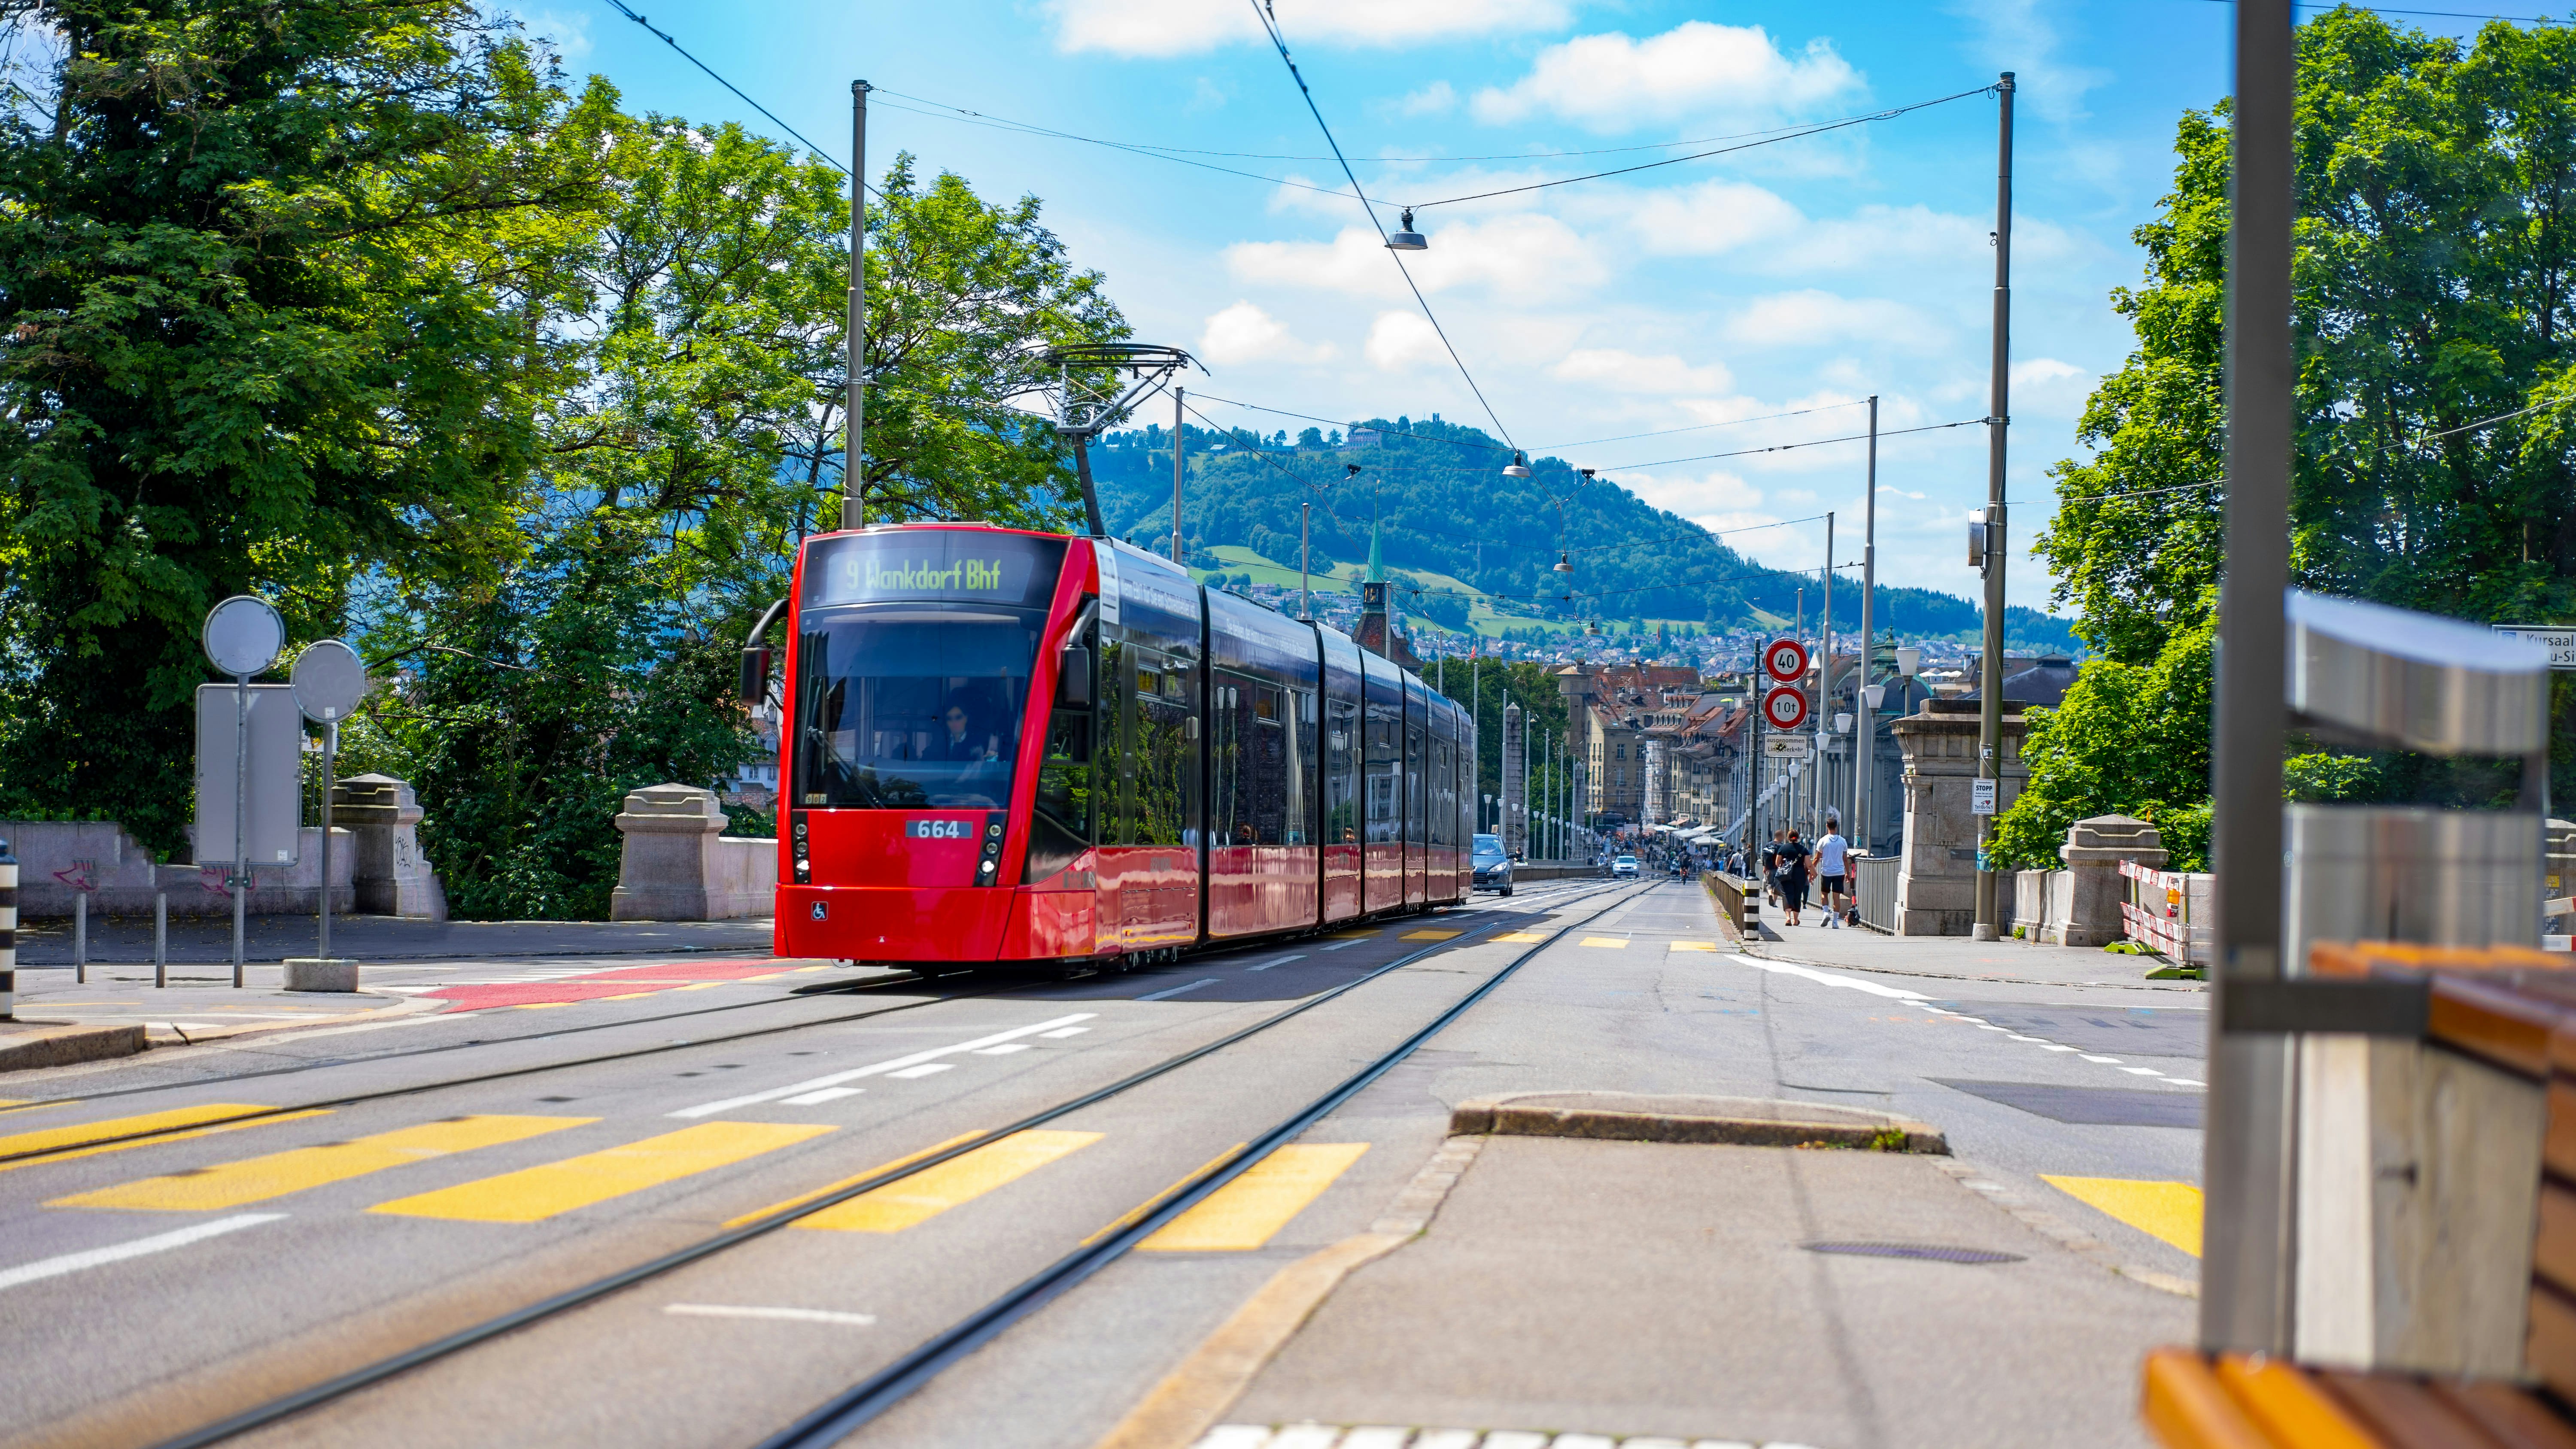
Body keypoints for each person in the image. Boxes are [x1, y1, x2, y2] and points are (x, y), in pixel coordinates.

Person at [1814, 814, 1849, 928]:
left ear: (1827, 826)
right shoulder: (1843, 841)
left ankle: (1825, 913)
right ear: (1836, 827)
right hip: (1840, 872)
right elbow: (1845, 859)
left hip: (1827, 872)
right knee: (1837, 897)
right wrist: (1848, 873)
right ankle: (1835, 922)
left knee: (1824, 894)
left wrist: (1811, 871)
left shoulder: (1823, 841)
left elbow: (1817, 858)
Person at [1777, 827, 1811, 926]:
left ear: (1788, 838)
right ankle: (1796, 920)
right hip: (1800, 875)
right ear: (1798, 838)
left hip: (1786, 875)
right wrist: (1814, 873)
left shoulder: (1783, 848)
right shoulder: (1803, 849)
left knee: (1787, 894)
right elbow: (1809, 865)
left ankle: (1788, 918)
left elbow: (1777, 863)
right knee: (1797, 896)